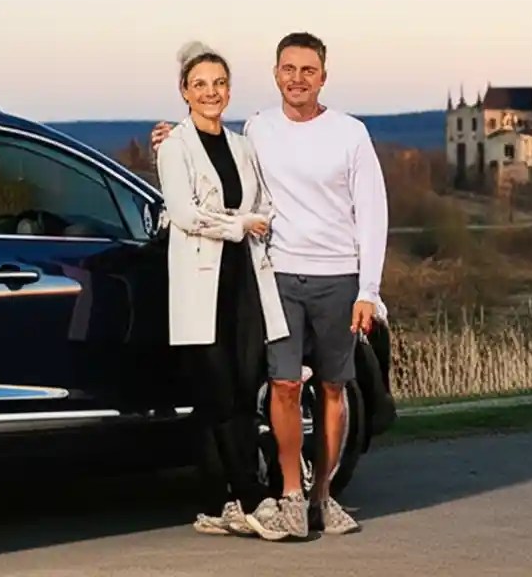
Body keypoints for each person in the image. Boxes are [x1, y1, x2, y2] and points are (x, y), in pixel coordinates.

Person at [151, 32, 388, 538]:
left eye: (308, 70)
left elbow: (373, 213)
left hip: (337, 275)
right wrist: (170, 139)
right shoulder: (259, 128)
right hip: (277, 274)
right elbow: (202, 162)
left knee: (332, 387)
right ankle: (290, 497)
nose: (297, 79)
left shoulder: (350, 134)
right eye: (288, 69)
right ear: (276, 73)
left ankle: (323, 497)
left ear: (323, 76)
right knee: (282, 385)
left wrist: (369, 289)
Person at [155, 40, 292, 540]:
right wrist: (238, 224)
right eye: (199, 84)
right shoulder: (175, 147)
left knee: (239, 390)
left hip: (245, 282)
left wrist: (250, 220)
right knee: (219, 393)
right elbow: (185, 214)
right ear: (184, 91)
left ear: (229, 90)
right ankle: (253, 498)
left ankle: (219, 504)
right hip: (202, 285)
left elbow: (266, 204)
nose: (210, 92)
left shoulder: (241, 147)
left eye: (218, 83)